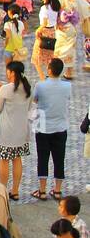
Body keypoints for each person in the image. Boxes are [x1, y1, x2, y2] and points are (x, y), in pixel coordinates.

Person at [0, 61, 33, 200]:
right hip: (21, 131)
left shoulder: (5, 89)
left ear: (12, 73)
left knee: (4, 160)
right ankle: (15, 191)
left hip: (6, 132)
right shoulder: (28, 88)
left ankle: (3, 190)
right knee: (17, 159)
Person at [32, 58, 72, 199]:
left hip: (43, 126)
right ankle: (57, 190)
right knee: (59, 158)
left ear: (49, 69)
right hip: (61, 126)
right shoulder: (67, 86)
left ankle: (42, 191)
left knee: (43, 158)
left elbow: (35, 100)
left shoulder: (40, 85)